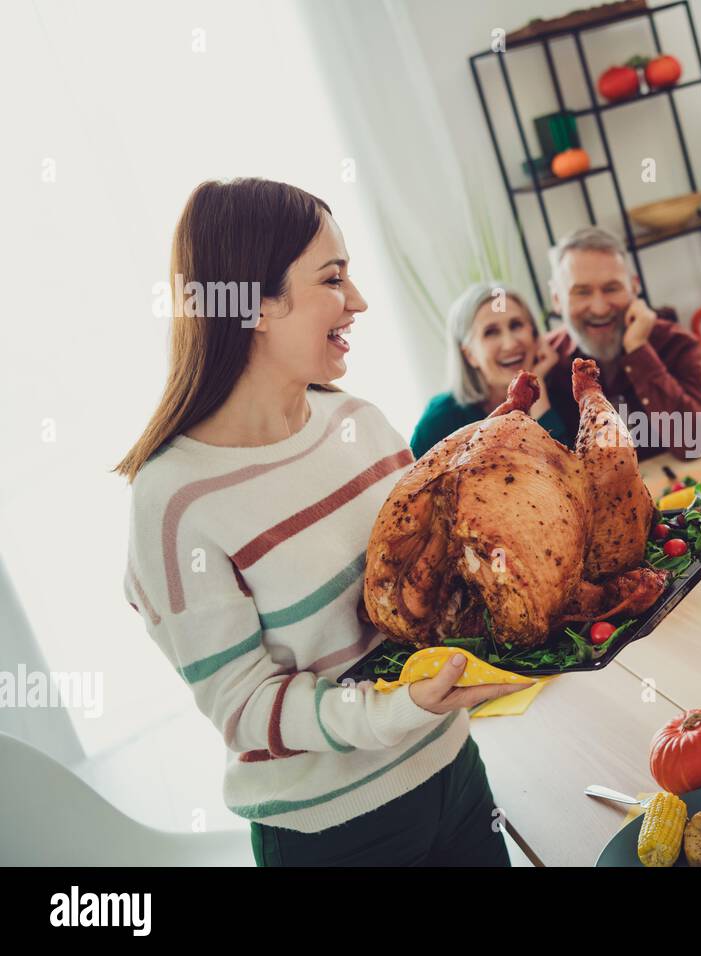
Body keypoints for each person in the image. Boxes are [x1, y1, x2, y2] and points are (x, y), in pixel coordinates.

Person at [116, 178, 524, 867]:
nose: (358, 301)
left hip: (454, 775)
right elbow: (243, 704)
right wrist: (399, 711)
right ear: (254, 304)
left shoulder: (358, 424)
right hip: (335, 835)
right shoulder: (175, 501)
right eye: (333, 279)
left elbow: (438, 591)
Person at [542, 226, 701, 460]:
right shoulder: (546, 361)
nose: (599, 307)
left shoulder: (677, 343)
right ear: (557, 299)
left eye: (611, 288)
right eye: (581, 292)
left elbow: (693, 445)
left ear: (634, 286)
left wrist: (638, 350)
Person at [410, 281, 565, 459]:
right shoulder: (440, 421)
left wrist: (538, 394)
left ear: (535, 336)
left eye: (516, 325)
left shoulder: (561, 391)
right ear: (470, 355)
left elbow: (570, 477)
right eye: (491, 332)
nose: (510, 344)